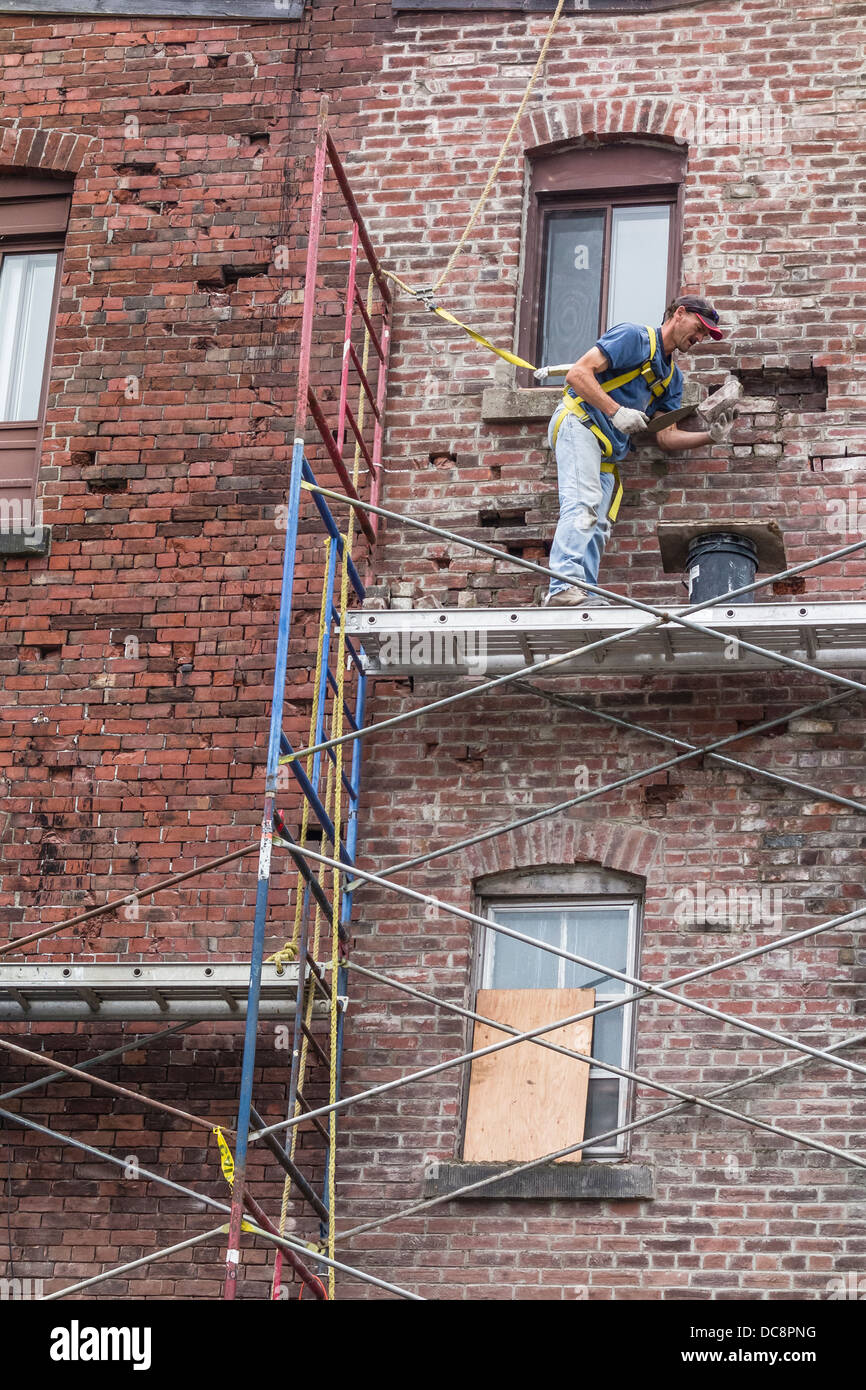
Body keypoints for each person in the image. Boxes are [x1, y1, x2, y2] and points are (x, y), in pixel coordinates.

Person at [543, 294, 735, 607]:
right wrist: (616, 410)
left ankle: (583, 595)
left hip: (606, 451)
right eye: (700, 327)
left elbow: (666, 438)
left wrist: (709, 437)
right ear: (679, 313)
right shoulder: (634, 337)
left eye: (706, 335)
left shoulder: (673, 379)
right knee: (584, 504)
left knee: (598, 523)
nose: (700, 337)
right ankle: (562, 587)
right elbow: (578, 374)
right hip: (579, 423)